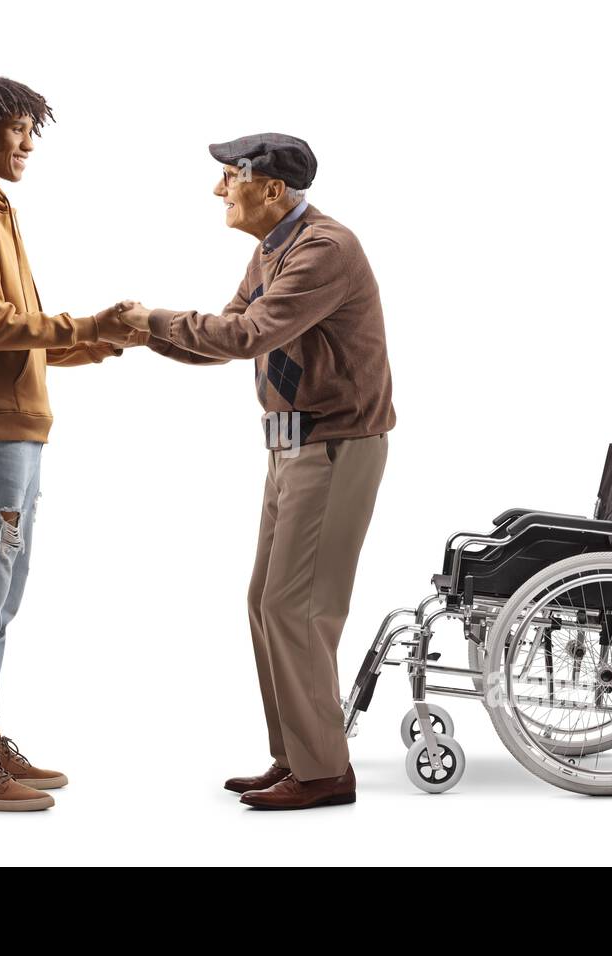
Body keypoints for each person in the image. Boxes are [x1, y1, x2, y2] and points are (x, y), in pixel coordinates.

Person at [117, 133, 395, 810]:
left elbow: (247, 335)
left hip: (334, 446)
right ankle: (296, 756)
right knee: (264, 603)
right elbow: (227, 337)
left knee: (296, 607)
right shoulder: (272, 251)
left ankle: (325, 772)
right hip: (290, 446)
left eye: (228, 178)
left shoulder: (325, 249)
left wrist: (152, 318)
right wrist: (145, 333)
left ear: (272, 189)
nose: (219, 190)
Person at [0, 76, 137, 812]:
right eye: (18, 129)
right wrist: (86, 324)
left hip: (11, 430)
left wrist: (98, 340)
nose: (29, 143)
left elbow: (15, 333)